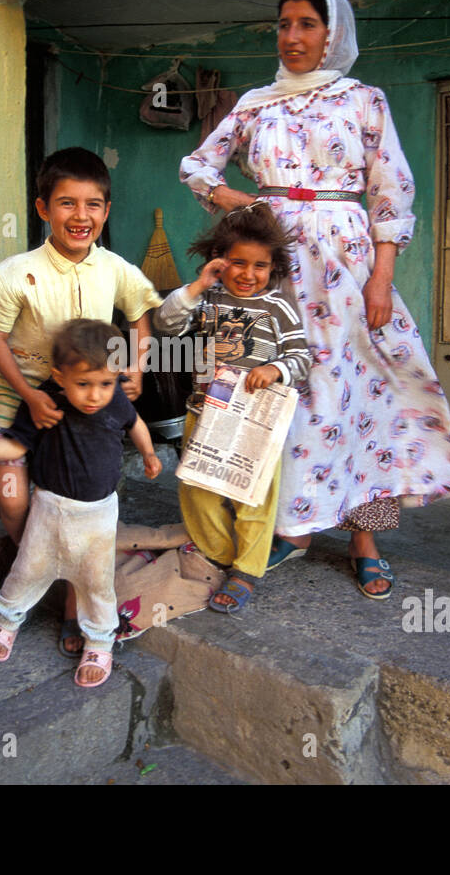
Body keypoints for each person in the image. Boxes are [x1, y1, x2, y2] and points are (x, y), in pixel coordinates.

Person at [179, 0, 450, 600]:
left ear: (333, 34)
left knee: (370, 397)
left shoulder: (365, 100)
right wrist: (235, 199)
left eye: (307, 24)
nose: (292, 37)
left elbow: (391, 191)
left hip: (348, 266)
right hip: (273, 268)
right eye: (283, 25)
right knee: (280, 391)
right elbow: (198, 166)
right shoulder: (256, 103)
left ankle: (367, 537)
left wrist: (382, 279)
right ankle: (294, 527)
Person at [0, 147, 160, 652]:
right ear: (43, 208)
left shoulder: (115, 268)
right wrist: (29, 393)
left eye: (93, 204)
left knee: (83, 499)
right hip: (22, 395)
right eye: (67, 203)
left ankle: (72, 599)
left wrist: (133, 365)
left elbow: (140, 316)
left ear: (106, 211)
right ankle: (38, 565)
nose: (81, 216)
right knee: (12, 496)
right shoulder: (15, 272)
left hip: (84, 403)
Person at [0, 319, 162, 687]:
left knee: (97, 585)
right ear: (60, 377)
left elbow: (135, 423)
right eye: (84, 385)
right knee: (28, 569)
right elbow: (14, 446)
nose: (95, 395)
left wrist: (150, 453)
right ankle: (6, 620)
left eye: (105, 384)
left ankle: (99, 642)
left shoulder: (115, 399)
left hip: (98, 516)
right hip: (49, 510)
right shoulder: (45, 404)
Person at [154, 203, 310, 612]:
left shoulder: (280, 308)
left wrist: (276, 369)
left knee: (253, 497)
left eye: (260, 265)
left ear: (273, 267)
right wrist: (196, 287)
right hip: (203, 413)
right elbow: (166, 324)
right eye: (237, 262)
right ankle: (220, 553)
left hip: (256, 421)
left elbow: (302, 358)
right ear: (219, 261)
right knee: (195, 490)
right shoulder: (207, 301)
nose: (247, 273)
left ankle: (246, 569)